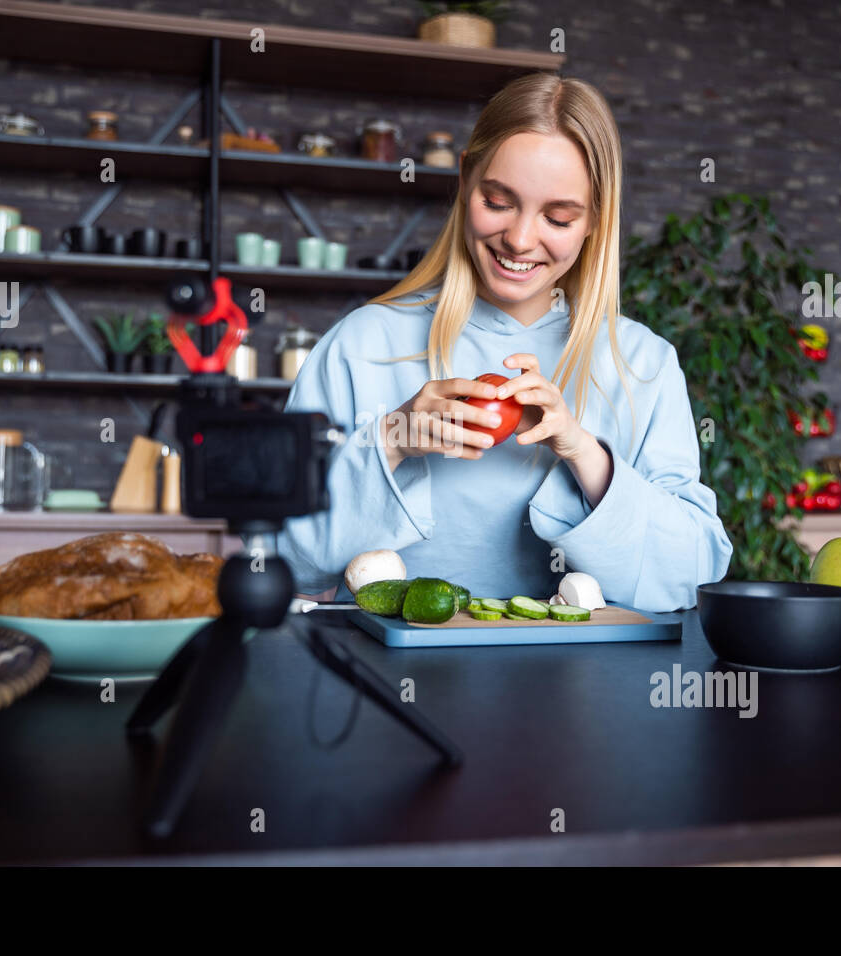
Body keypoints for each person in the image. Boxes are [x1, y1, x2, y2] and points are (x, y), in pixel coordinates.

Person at [274, 73, 731, 612]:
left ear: (595, 221)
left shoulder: (645, 364)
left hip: (586, 691)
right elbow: (282, 561)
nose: (519, 239)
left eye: (558, 217)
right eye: (497, 201)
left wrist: (586, 456)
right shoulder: (361, 342)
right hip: (382, 687)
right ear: (466, 178)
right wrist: (391, 439)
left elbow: (692, 577)